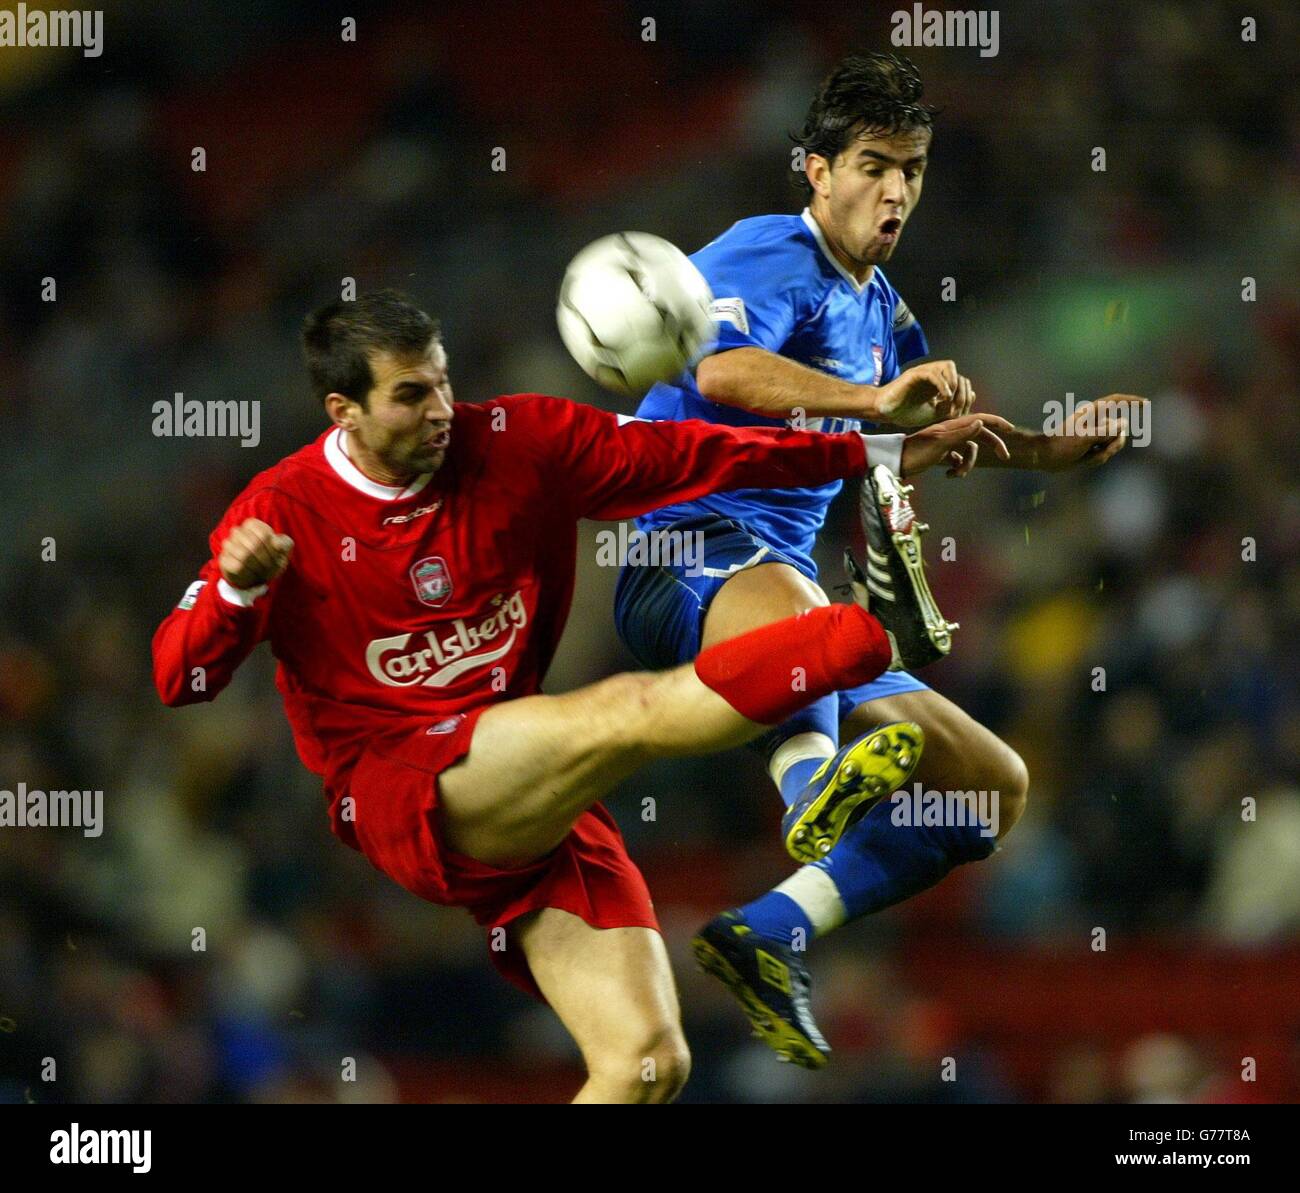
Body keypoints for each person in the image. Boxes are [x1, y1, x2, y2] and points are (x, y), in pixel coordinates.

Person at [152, 288, 1008, 1102]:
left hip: (523, 778)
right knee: (623, 714)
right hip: (399, 785)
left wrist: (873, 451)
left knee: (645, 1065)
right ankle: (871, 632)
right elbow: (178, 678)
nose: (442, 407)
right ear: (345, 412)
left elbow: (696, 456)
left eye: (444, 381)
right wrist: (232, 594)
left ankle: (858, 651)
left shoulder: (517, 440)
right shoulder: (281, 513)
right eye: (410, 395)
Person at [612, 52, 1143, 1067]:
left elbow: (915, 436)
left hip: (791, 605)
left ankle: (773, 926)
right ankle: (811, 780)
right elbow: (719, 368)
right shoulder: (766, 250)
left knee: (987, 787)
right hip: (680, 546)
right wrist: (868, 405)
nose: (894, 188)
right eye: (870, 163)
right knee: (823, 616)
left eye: (912, 167)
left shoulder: (881, 307)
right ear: (814, 169)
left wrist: (1044, 447)